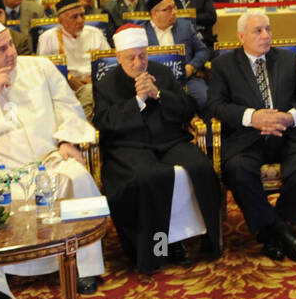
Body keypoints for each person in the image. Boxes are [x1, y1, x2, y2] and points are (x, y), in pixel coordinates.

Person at [0, 17, 106, 299]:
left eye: (10, 44)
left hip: (48, 159)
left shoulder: (41, 68)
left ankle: (85, 268)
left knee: (77, 176)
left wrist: (66, 139)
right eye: (0, 50)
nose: (11, 53)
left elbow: (68, 105)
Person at [93, 24, 222, 273]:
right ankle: (159, 249)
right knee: (153, 177)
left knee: (200, 167)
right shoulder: (107, 83)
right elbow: (105, 123)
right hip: (130, 147)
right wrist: (138, 101)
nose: (138, 62)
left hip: (170, 141)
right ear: (119, 57)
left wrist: (159, 94)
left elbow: (187, 109)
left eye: (142, 56)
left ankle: (189, 240)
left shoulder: (161, 73)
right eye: (131, 58)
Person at [207, 11, 296, 262]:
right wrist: (252, 117)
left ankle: (272, 227)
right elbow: (215, 105)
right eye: (258, 31)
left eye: (268, 29)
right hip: (246, 137)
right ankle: (280, 231)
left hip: (287, 133)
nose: (266, 35)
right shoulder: (223, 66)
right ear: (241, 36)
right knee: (237, 170)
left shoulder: (288, 60)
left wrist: (291, 116)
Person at [36, 0, 110, 117]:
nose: (80, 20)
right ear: (61, 21)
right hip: (64, 87)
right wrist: (69, 79)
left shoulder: (95, 33)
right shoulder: (48, 38)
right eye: (74, 17)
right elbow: (43, 71)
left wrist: (94, 79)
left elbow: (108, 63)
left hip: (94, 84)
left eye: (82, 15)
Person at [142, 0, 210, 109]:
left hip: (186, 79)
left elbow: (203, 50)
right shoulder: (141, 32)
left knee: (205, 98)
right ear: (154, 13)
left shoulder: (185, 26)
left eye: (174, 7)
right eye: (168, 9)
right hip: (154, 82)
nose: (174, 12)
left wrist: (192, 67)